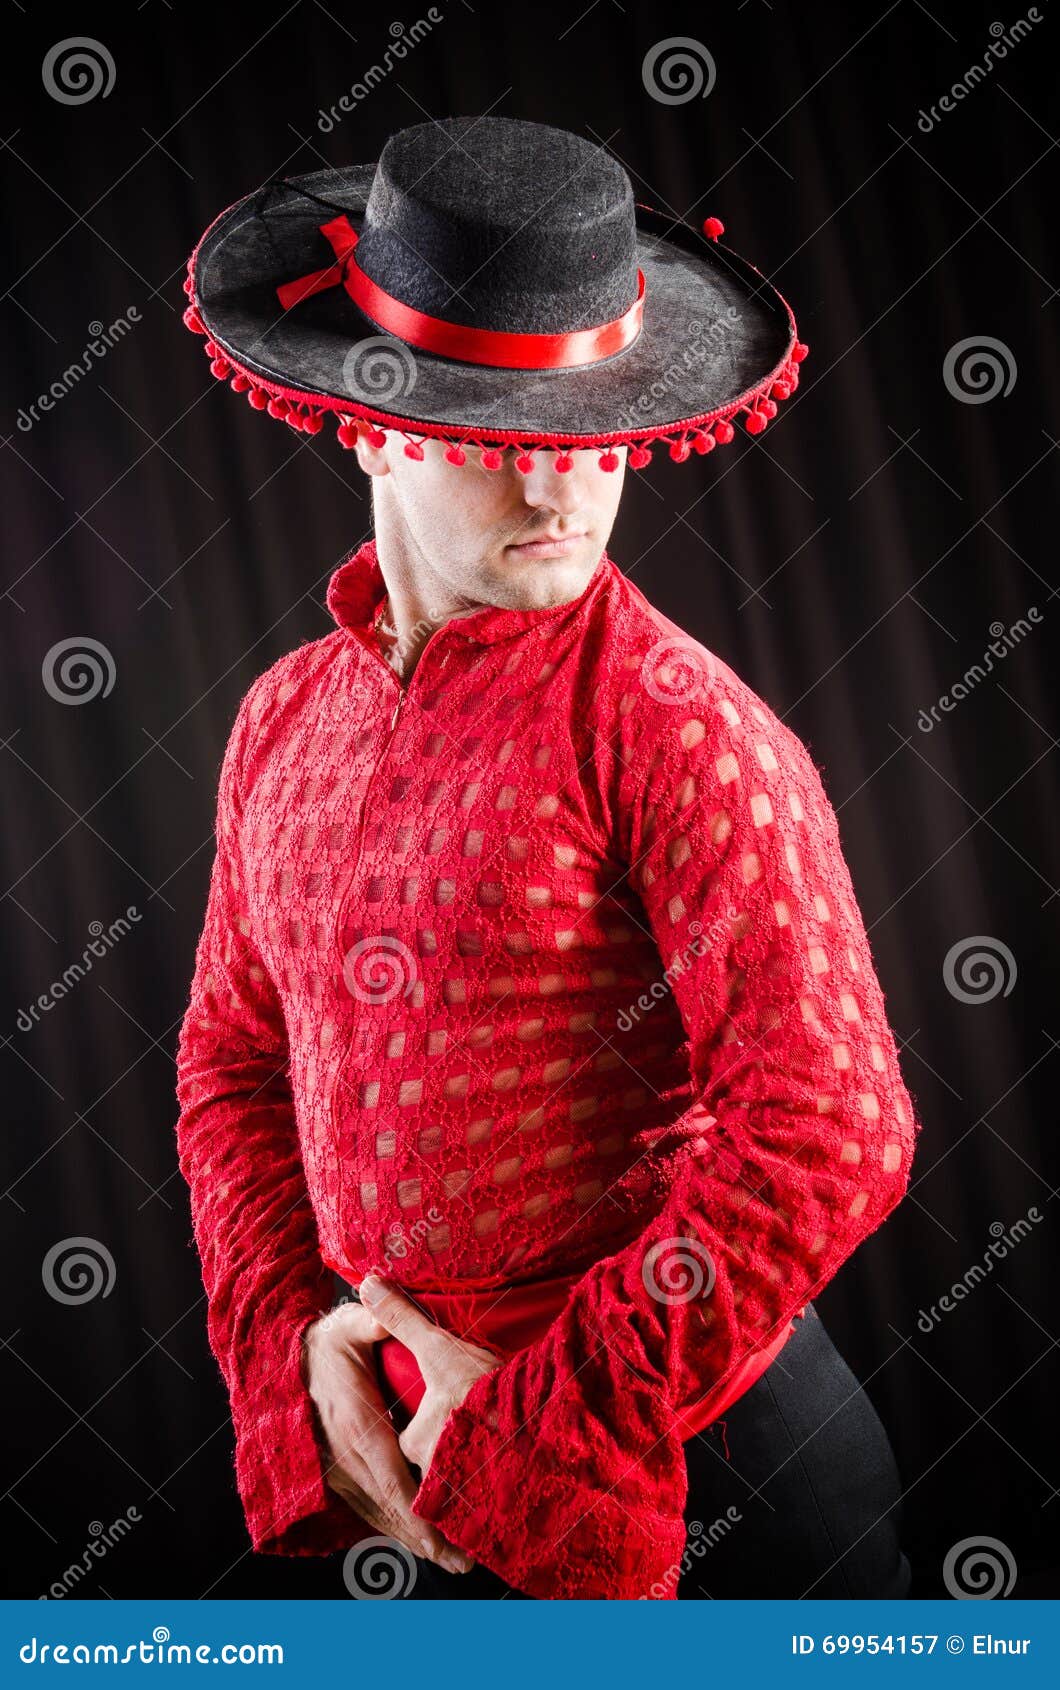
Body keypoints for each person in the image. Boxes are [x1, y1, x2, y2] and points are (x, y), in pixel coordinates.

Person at [175, 114, 922, 1601]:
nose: (562, 491)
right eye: (503, 440)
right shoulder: (276, 724)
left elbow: (834, 1123)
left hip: (719, 1481)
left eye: (595, 436)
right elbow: (230, 1065)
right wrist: (301, 1362)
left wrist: (534, 1418)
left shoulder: (681, 726)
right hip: (407, 1447)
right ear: (372, 417)